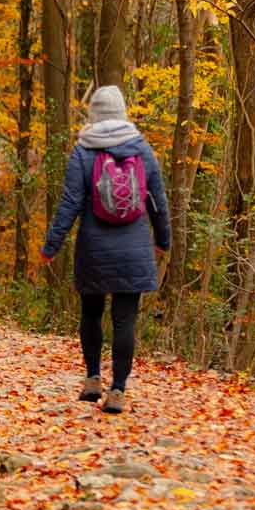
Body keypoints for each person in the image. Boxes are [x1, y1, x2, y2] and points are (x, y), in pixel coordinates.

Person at [39, 85, 172, 414]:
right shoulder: (142, 149)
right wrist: (163, 240)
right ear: (123, 111)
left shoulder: (83, 151)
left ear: (93, 113)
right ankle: (118, 391)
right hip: (135, 248)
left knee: (91, 313)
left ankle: (93, 378)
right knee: (125, 320)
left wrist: (50, 246)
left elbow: (69, 204)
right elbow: (159, 203)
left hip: (94, 248)